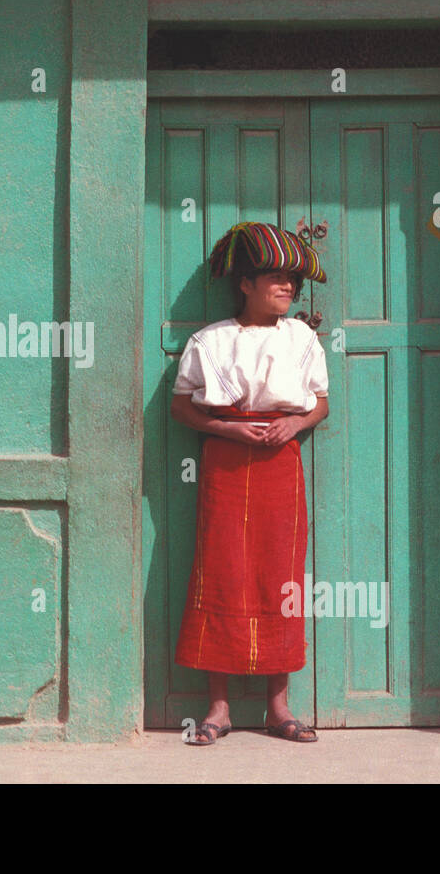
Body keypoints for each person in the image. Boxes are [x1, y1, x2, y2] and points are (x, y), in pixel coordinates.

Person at [170, 221, 330, 745]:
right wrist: (228, 427)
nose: (287, 289)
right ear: (245, 284)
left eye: (293, 282)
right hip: (225, 467)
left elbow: (320, 403)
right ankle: (218, 708)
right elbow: (182, 407)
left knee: (277, 576)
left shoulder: (302, 339)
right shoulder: (211, 341)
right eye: (275, 279)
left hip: (279, 469)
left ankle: (278, 707)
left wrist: (297, 423)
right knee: (223, 570)